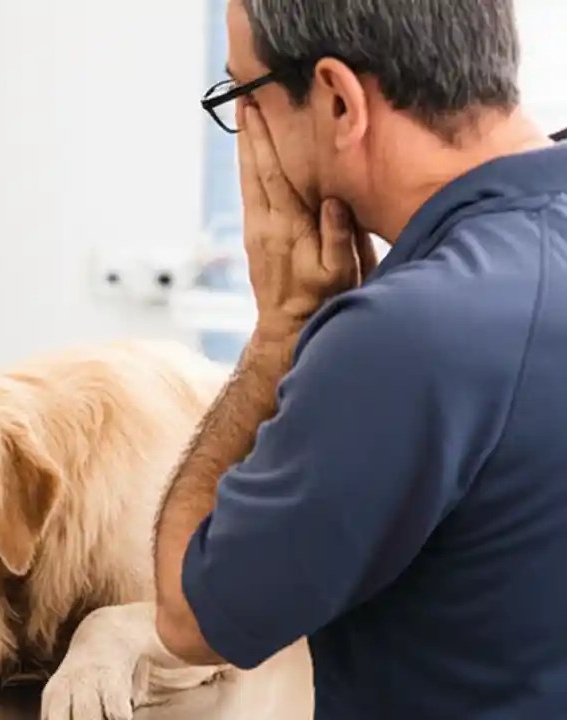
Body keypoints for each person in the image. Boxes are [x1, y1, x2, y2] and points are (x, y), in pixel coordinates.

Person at [151, 1, 567, 718]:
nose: (246, 134)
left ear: (339, 101)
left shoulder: (409, 336)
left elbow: (190, 619)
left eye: (244, 99)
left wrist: (280, 337)